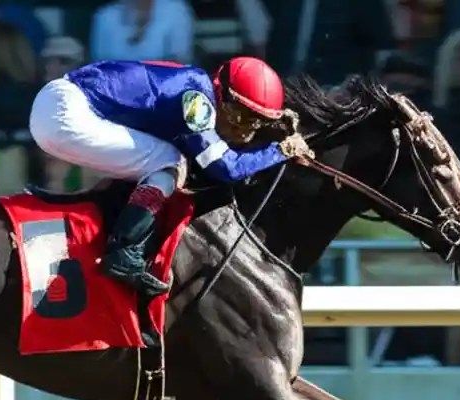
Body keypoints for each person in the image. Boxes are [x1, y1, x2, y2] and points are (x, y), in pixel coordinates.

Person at [28, 57, 309, 296]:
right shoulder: (196, 104)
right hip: (65, 114)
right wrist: (281, 150)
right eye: (240, 117)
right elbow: (226, 169)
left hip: (60, 106)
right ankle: (124, 252)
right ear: (221, 95)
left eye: (255, 121)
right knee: (169, 161)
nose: (245, 131)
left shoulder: (199, 85)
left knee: (155, 160)